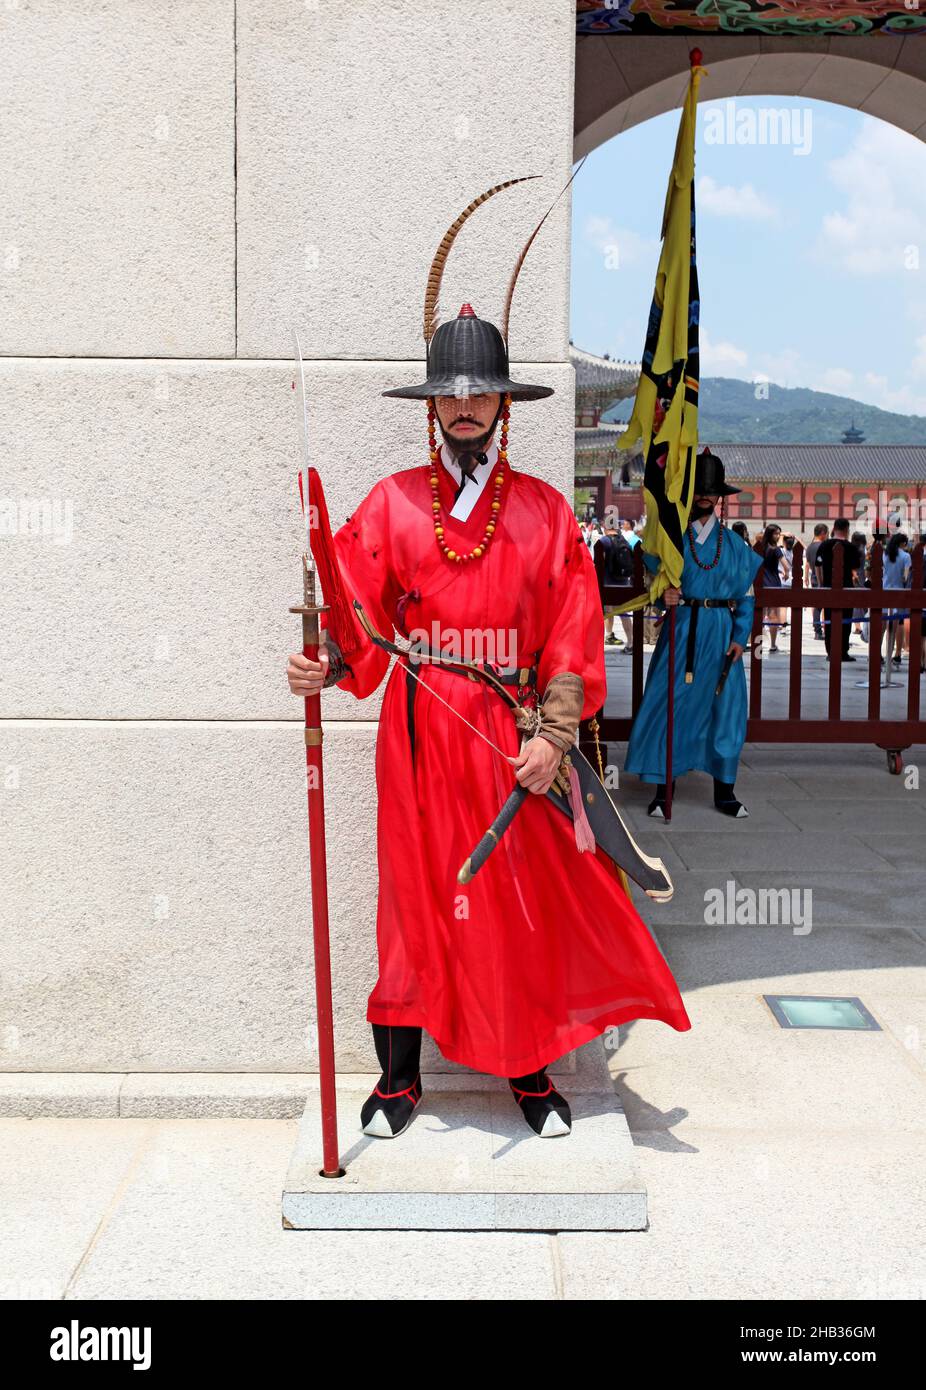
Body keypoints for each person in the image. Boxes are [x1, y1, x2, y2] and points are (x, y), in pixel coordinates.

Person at [286, 188, 690, 1142]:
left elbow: (570, 635)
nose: (467, 408)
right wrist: (325, 660)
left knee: (519, 900)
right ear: (435, 408)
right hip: (421, 741)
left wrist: (554, 738)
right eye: (452, 395)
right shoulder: (389, 505)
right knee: (415, 899)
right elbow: (355, 615)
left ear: (504, 403)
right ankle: (398, 1081)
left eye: (482, 393)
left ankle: (532, 1072)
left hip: (511, 742)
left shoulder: (548, 512)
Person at [625, 447, 763, 819]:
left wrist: (740, 637)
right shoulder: (670, 542)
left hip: (720, 635)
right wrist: (664, 594)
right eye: (697, 489)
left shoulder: (733, 546)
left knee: (726, 709)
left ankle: (725, 791)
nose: (703, 496)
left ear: (719, 496)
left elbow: (746, 598)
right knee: (667, 704)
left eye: (710, 490)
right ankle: (661, 787)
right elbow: (652, 582)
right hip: (682, 629)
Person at [815, 517, 863, 662]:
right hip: (846, 587)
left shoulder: (824, 546)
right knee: (846, 620)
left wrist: (821, 582)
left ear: (834, 528)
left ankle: (830, 651)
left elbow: (818, 566)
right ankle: (842, 651)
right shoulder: (851, 547)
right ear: (847, 530)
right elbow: (855, 568)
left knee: (829, 620)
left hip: (828, 587)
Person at [597, 522, 634, 648]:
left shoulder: (604, 541)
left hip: (608, 582)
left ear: (606, 528)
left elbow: (598, 560)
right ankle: (630, 642)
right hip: (624, 582)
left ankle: (609, 635)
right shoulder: (624, 540)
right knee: (624, 614)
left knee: (608, 611)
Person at [882, 531, 912, 666]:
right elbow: (906, 577)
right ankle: (895, 653)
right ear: (903, 543)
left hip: (885, 590)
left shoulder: (885, 554)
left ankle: (880, 653)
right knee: (897, 624)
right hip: (899, 592)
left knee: (883, 624)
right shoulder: (906, 556)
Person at [759, 524, 785, 653]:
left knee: (760, 615)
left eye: (779, 533)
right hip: (774, 583)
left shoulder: (760, 548)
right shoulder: (776, 549)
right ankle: (773, 644)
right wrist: (785, 573)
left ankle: (758, 644)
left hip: (761, 583)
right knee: (773, 615)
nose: (778, 536)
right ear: (770, 534)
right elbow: (786, 566)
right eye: (776, 534)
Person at [805, 523, 829, 639]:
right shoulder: (824, 546)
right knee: (823, 606)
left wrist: (806, 577)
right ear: (823, 533)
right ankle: (820, 630)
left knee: (817, 606)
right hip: (823, 578)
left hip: (814, 577)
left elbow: (808, 564)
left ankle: (817, 630)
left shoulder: (809, 547)